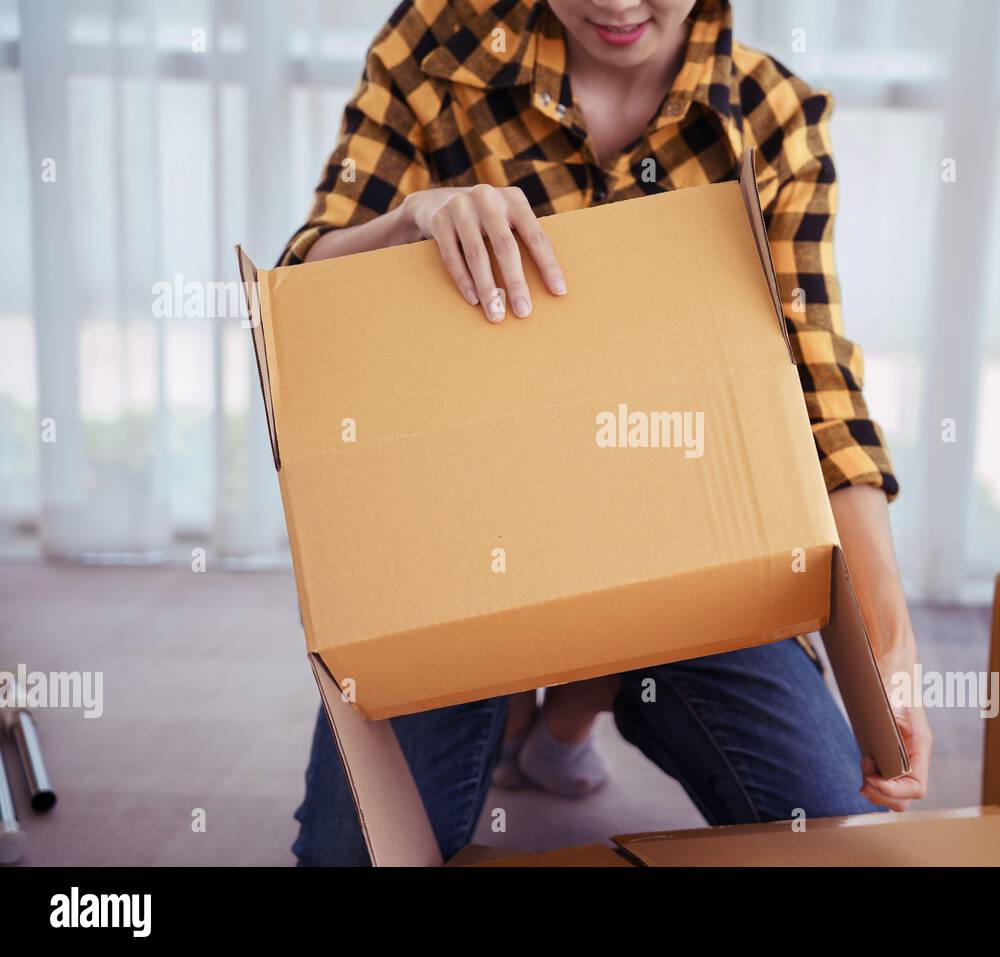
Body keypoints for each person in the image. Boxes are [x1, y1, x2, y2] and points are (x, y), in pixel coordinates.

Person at [284, 0, 931, 865]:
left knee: (840, 832)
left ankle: (577, 699)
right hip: (462, 556)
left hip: (693, 552)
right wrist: (411, 220)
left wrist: (890, 642)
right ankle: (532, 698)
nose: (618, 5)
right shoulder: (437, 43)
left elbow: (824, 391)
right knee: (349, 858)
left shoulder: (773, 117)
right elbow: (299, 304)